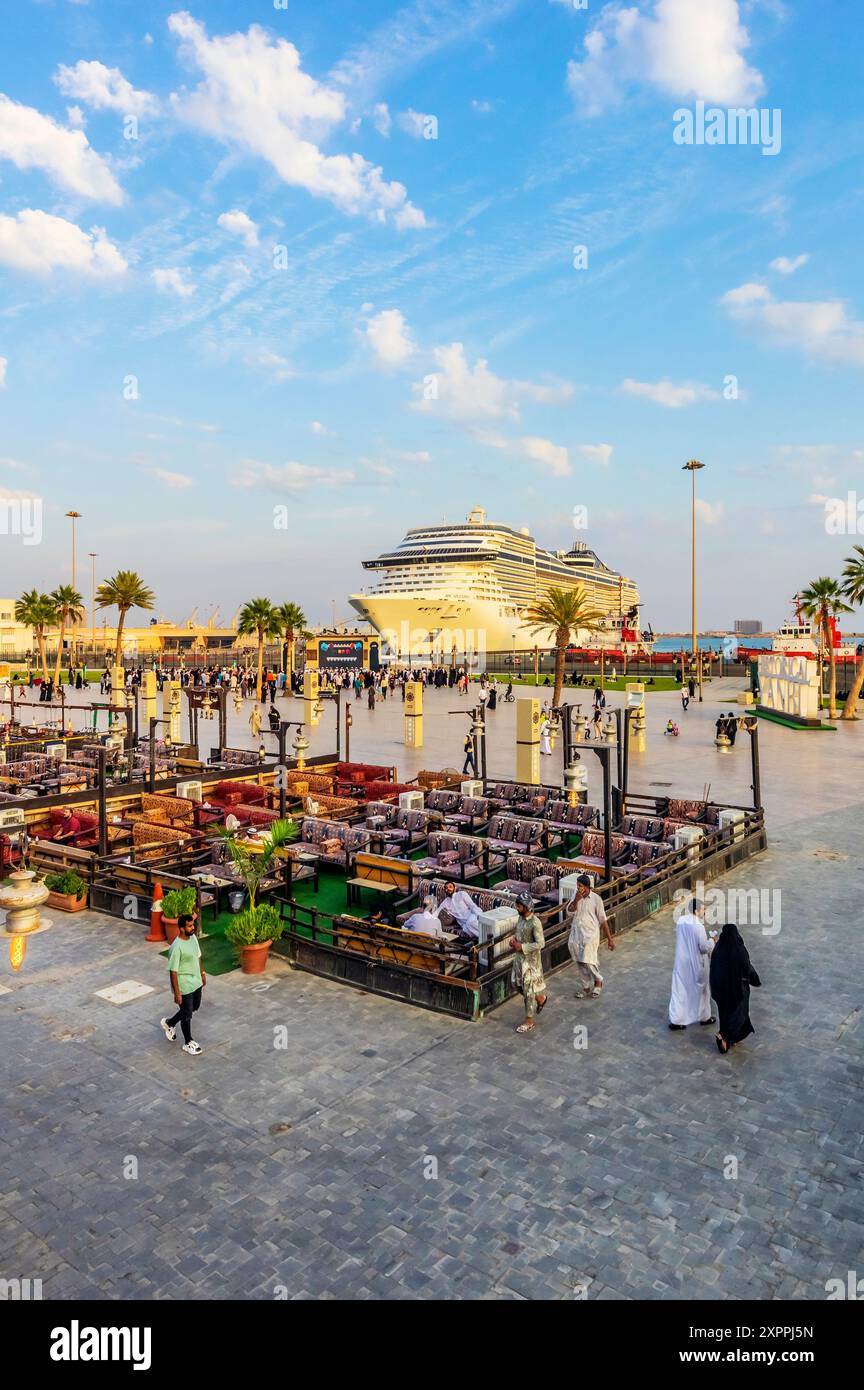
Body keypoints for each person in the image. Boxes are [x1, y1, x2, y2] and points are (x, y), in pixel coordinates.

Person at [709, 922, 761, 1054]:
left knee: (725, 1014)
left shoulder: (718, 948)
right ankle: (724, 1036)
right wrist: (755, 979)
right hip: (737, 991)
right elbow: (747, 967)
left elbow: (713, 968)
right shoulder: (739, 949)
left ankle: (729, 1039)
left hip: (721, 990)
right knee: (739, 1014)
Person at [160, 913, 206, 1056]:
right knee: (187, 1013)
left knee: (194, 1007)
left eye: (193, 925)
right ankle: (188, 1042)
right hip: (184, 983)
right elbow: (173, 972)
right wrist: (177, 992)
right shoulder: (176, 947)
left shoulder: (193, 939)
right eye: (190, 926)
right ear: (181, 928)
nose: (193, 928)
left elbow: (198, 956)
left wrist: (202, 973)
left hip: (196, 980)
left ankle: (170, 1023)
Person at [668, 898, 715, 1030]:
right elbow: (703, 947)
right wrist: (712, 940)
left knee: (679, 990)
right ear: (696, 910)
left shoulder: (681, 921)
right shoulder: (699, 927)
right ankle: (704, 1016)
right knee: (703, 991)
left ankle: (677, 1019)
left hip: (681, 962)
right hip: (695, 964)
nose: (704, 911)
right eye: (703, 909)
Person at [567, 874, 614, 997]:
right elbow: (570, 912)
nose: (578, 888)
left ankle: (598, 981)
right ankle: (586, 987)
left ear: (587, 887)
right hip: (577, 933)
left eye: (580, 886)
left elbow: (603, 919)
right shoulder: (575, 895)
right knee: (580, 961)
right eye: (577, 886)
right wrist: (576, 900)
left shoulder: (596, 899)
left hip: (591, 934)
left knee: (588, 960)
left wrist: (610, 939)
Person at [510, 893, 548, 1034]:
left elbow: (541, 943)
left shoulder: (535, 923)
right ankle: (540, 998)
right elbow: (518, 934)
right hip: (519, 960)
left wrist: (523, 947)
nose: (517, 908)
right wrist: (514, 941)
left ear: (526, 906)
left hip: (531, 963)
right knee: (515, 983)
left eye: (519, 906)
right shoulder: (520, 919)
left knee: (528, 991)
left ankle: (529, 1021)